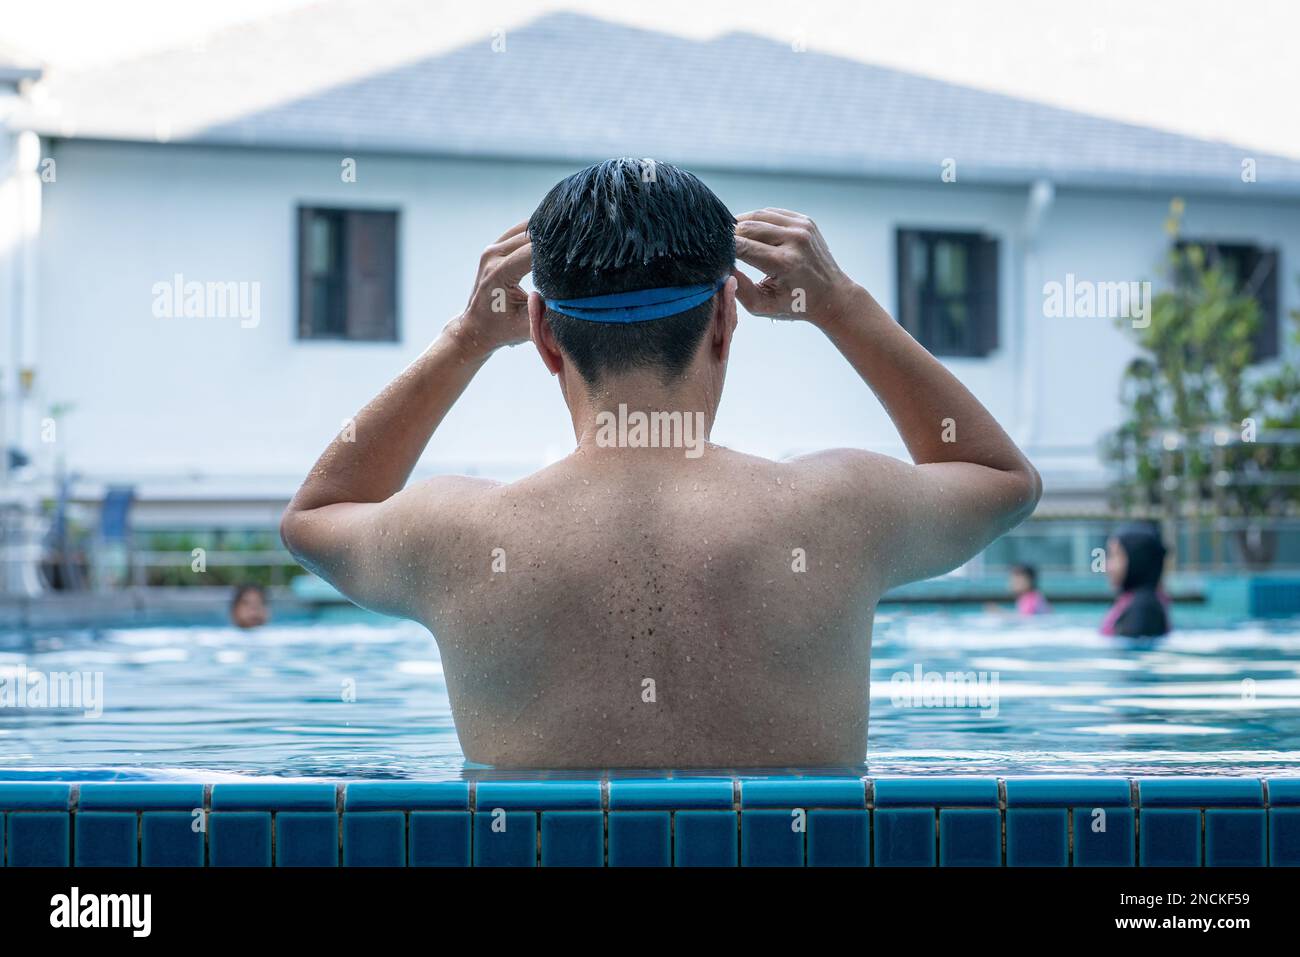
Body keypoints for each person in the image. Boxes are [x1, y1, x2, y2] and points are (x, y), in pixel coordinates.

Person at [279, 158, 1041, 767]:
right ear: (724, 318)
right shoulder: (839, 508)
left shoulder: (457, 534)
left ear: (544, 333)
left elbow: (313, 516)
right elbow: (1002, 478)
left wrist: (463, 341)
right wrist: (842, 303)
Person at [1101, 522, 1171, 638]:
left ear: (1137, 559)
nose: (1107, 566)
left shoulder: (1143, 608)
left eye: (1114, 556)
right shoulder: (1137, 601)